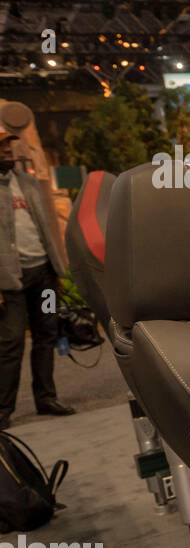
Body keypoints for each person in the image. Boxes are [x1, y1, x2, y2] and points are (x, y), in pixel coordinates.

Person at [0, 109, 76, 430]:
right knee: (11, 342)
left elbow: (46, 228)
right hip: (10, 282)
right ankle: (3, 409)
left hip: (42, 274)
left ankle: (46, 397)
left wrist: (57, 270)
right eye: (2, 147)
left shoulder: (27, 182)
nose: (7, 151)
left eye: (8, 146)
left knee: (46, 333)